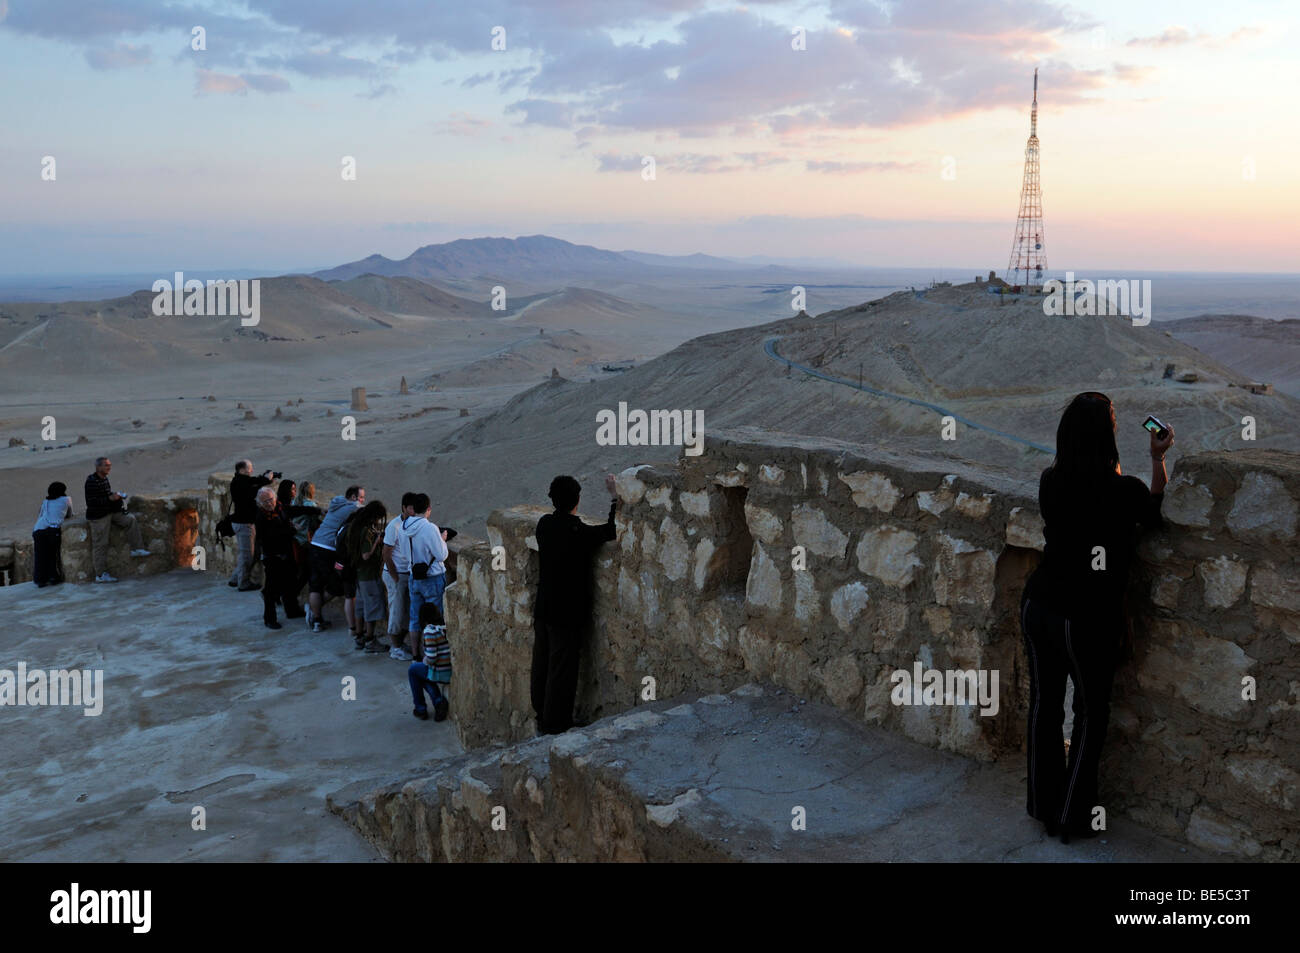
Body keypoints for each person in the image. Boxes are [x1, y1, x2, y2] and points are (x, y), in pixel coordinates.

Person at [1020, 393, 1173, 843]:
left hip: (1040, 604)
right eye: (1112, 420)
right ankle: (1071, 819)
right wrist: (1157, 460)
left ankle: (1042, 805)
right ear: (1106, 435)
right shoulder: (1122, 492)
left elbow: (1089, 508)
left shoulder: (1051, 480)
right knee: (1089, 714)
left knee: (1044, 707)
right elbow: (1153, 515)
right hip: (1085, 617)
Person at [530, 473, 619, 735]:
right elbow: (611, 530)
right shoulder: (578, 532)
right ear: (577, 500)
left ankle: (541, 714)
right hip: (566, 614)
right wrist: (614, 497)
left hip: (544, 607)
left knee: (542, 663)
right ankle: (555, 725)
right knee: (561, 670)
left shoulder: (544, 525)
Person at [307, 485, 364, 633]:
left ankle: (317, 620)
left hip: (314, 544)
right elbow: (367, 512)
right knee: (337, 586)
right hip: (328, 549)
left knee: (315, 585)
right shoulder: (353, 506)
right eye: (361, 497)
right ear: (353, 497)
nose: (362, 500)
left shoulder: (337, 503)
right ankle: (315, 611)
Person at [253, 486, 312, 629]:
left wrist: (317, 510)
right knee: (271, 590)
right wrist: (292, 530)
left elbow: (295, 510)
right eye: (265, 501)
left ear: (275, 498)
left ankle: (292, 611)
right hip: (272, 557)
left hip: (286, 553)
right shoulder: (261, 517)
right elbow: (271, 537)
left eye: (270, 499)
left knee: (290, 583)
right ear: (260, 503)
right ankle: (269, 619)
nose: (269, 503)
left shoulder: (280, 508)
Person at [84, 457, 149, 583]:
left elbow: (106, 494)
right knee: (100, 545)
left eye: (110, 465)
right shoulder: (91, 481)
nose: (109, 468)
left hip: (110, 512)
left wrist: (116, 496)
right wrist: (110, 498)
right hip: (99, 516)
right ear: (98, 467)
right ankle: (100, 574)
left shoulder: (104, 479)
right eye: (106, 465)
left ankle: (137, 549)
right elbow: (92, 502)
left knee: (130, 520)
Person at [400, 493, 449, 656]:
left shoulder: (404, 526)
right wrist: (442, 539)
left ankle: (416, 655)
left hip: (414, 576)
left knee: (415, 618)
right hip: (432, 577)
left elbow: (404, 554)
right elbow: (442, 555)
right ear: (428, 509)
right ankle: (433, 655)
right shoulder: (430, 528)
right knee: (434, 618)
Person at [343, 501, 389, 653]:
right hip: (369, 575)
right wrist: (377, 542)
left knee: (361, 607)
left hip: (359, 574)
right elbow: (366, 555)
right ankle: (370, 640)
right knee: (372, 607)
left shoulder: (355, 527)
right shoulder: (367, 531)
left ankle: (360, 637)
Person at [227, 460, 275, 591]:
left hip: (243, 522)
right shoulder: (239, 483)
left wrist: (265, 478)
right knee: (247, 556)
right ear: (242, 470)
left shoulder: (240, 480)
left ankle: (235, 579)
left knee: (250, 554)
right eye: (249, 469)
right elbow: (251, 492)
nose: (251, 471)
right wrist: (265, 481)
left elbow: (252, 481)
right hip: (244, 524)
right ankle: (243, 583)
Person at [382, 493, 417, 661]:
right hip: (396, 574)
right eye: (411, 507)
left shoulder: (413, 524)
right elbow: (386, 554)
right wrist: (395, 578)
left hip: (406, 574)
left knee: (405, 611)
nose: (413, 511)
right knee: (396, 611)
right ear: (403, 508)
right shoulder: (394, 526)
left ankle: (400, 643)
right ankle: (395, 648)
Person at [407, 602, 452, 721]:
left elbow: (432, 658)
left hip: (440, 671)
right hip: (448, 668)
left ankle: (421, 708)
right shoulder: (444, 626)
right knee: (421, 673)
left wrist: (424, 660)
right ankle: (437, 702)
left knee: (413, 670)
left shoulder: (429, 631)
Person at [32, 482, 73, 587]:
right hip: (53, 530)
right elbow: (70, 514)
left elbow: (40, 515)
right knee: (52, 555)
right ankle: (53, 577)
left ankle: (40, 580)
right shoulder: (66, 499)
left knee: (40, 556)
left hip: (38, 530)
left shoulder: (45, 501)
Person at [290, 481, 321, 599]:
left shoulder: (294, 502)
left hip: (294, 539)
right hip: (304, 541)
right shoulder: (311, 505)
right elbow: (314, 523)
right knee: (306, 571)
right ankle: (292, 595)